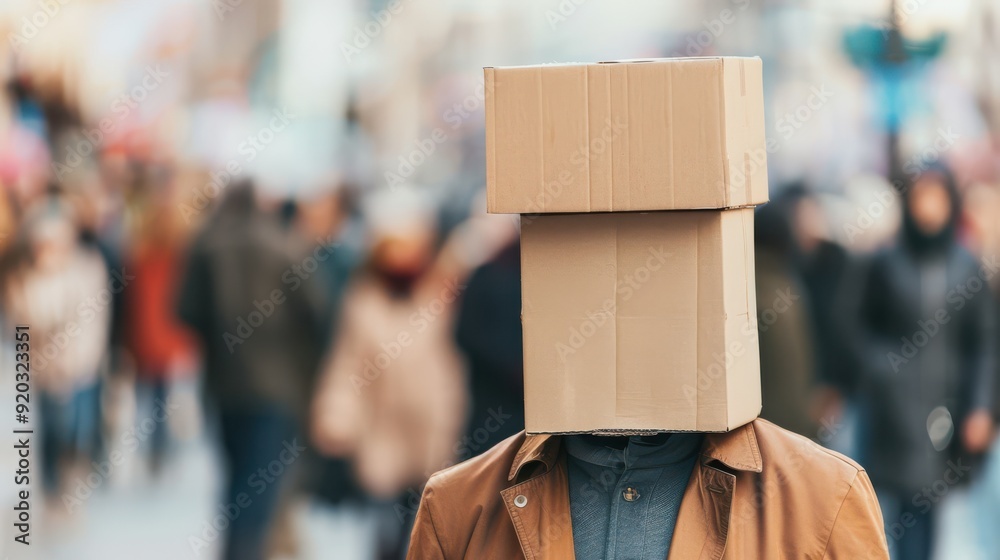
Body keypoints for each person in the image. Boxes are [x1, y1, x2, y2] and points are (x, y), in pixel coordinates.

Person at [311, 187, 469, 560]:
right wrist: (336, 417)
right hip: (380, 428)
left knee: (425, 524)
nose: (403, 255)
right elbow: (346, 364)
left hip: (430, 428)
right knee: (385, 528)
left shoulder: (439, 295)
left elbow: (452, 361)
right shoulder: (361, 300)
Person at [176, 181, 329, 560]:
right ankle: (246, 549)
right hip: (278, 386)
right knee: (261, 479)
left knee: (237, 474)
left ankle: (237, 547)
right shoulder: (286, 246)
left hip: (224, 384)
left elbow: (184, 310)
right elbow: (317, 314)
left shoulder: (207, 246)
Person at [853, 163, 996, 560]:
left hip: (944, 413)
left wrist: (982, 407)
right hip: (895, 413)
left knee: (931, 506)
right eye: (920, 197)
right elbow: (860, 328)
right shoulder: (886, 263)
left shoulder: (966, 267)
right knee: (899, 510)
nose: (928, 208)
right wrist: (884, 373)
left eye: (937, 196)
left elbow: (983, 343)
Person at [4, 199, 109, 503]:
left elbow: (93, 320)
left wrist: (85, 357)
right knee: (49, 424)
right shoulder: (23, 277)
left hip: (78, 363)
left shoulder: (86, 269)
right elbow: (18, 322)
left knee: (76, 424)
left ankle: (71, 471)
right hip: (42, 366)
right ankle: (52, 484)